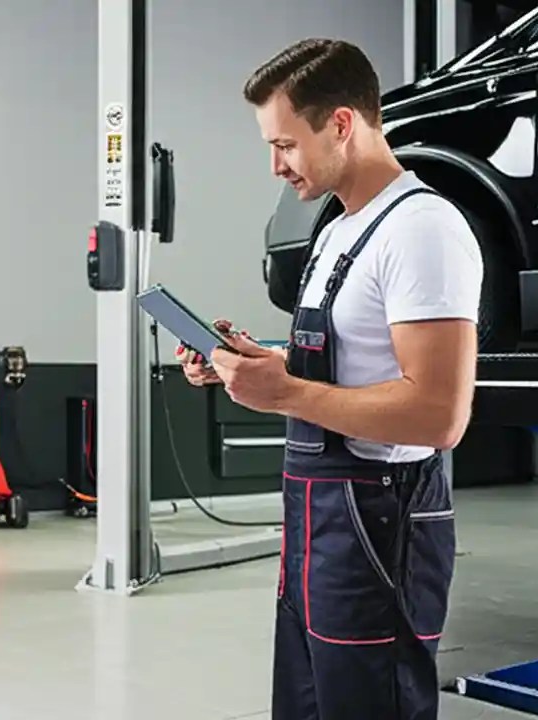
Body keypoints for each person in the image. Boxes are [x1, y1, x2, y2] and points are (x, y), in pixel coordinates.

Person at [177, 39, 482, 719]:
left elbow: (438, 415)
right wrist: (261, 363)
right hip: (318, 523)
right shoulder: (340, 230)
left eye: (284, 144)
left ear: (341, 124)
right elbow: (349, 365)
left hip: (380, 526)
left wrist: (284, 393)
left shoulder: (423, 230)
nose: (275, 165)